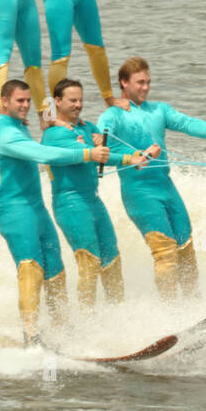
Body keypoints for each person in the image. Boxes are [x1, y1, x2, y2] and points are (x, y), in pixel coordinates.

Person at [97, 57, 206, 299]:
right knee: (165, 252)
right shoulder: (113, 115)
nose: (145, 87)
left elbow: (187, 124)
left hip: (166, 188)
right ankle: (169, 315)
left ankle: (193, 307)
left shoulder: (159, 110)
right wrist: (101, 140)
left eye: (148, 82)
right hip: (139, 193)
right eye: (139, 82)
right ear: (124, 82)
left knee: (186, 249)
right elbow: (103, 144)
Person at [0, 79, 110, 345]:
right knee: (31, 270)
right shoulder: (4, 134)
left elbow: (51, 111)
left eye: (28, 100)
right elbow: (45, 155)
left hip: (37, 210)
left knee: (56, 271)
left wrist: (63, 124)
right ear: (4, 102)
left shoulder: (16, 124)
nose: (26, 106)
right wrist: (88, 152)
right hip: (15, 213)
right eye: (20, 101)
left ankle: (62, 332)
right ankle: (31, 338)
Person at [41, 78, 147, 310]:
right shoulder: (53, 135)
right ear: (57, 101)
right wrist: (95, 150)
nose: (78, 104)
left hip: (93, 201)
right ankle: (86, 324)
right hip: (70, 204)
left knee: (112, 259)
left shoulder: (87, 127)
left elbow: (109, 151)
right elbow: (89, 153)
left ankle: (117, 314)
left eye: (81, 100)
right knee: (90, 262)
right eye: (72, 100)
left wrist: (138, 155)